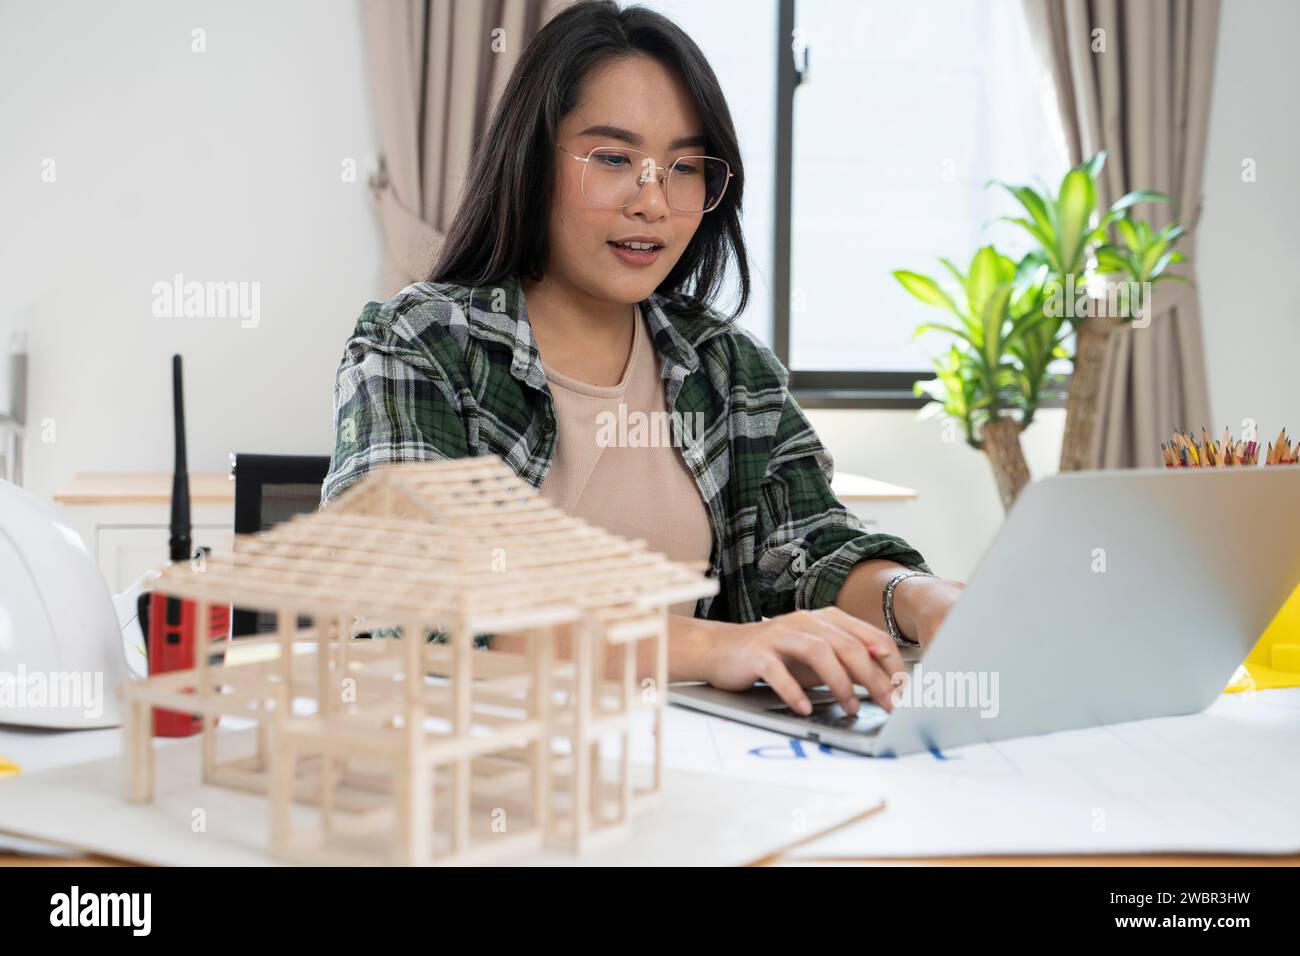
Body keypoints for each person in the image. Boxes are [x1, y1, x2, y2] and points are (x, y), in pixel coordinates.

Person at [322, 0, 964, 717]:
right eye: (614, 159)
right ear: (534, 162)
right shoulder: (421, 342)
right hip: (485, 765)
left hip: (704, 764)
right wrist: (713, 647)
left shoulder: (726, 367)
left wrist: (917, 599)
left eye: (686, 166)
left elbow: (809, 549)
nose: (653, 201)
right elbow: (412, 611)